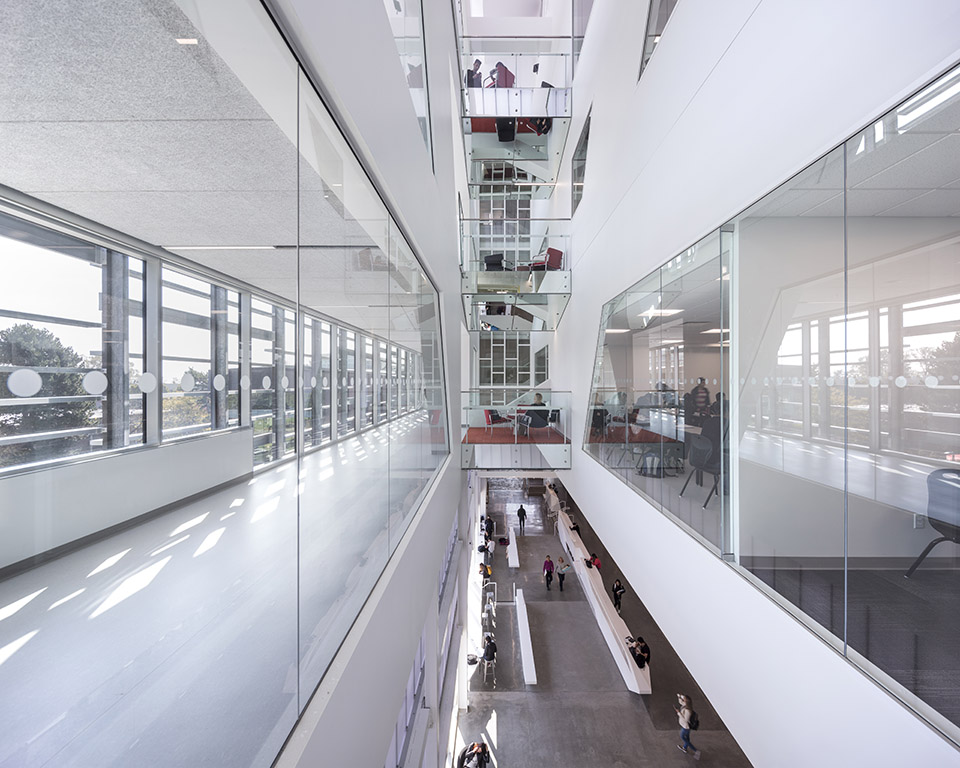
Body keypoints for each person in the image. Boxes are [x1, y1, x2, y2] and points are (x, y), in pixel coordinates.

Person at [675, 693, 701, 760]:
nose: (683, 700)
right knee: (687, 738)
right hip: (686, 727)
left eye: (684, 699)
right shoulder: (686, 706)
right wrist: (679, 697)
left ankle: (696, 751)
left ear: (686, 701)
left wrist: (678, 713)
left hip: (685, 727)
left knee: (683, 738)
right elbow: (680, 702)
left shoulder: (688, 710)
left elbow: (685, 720)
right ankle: (685, 748)